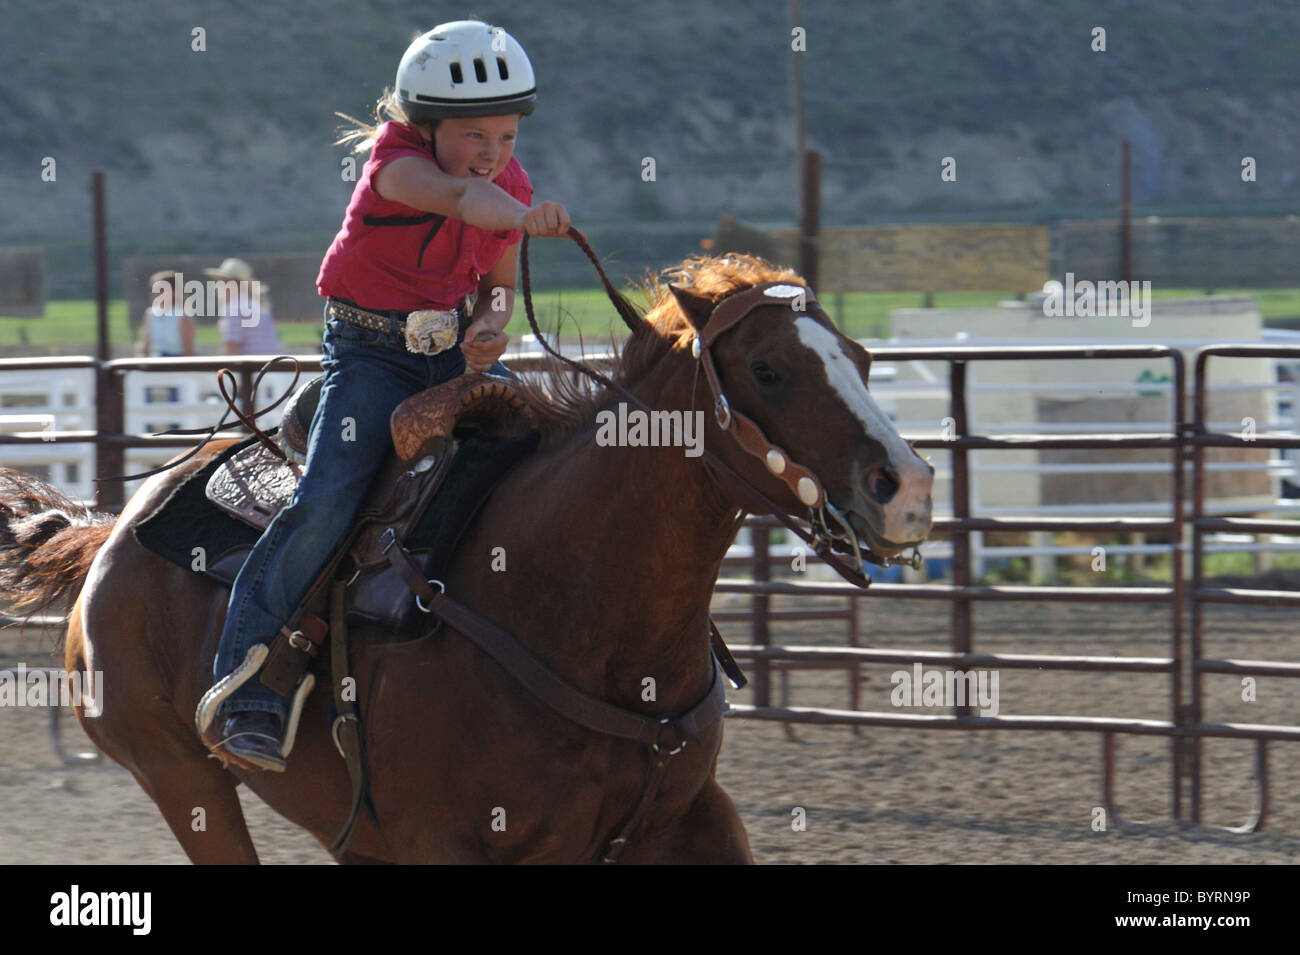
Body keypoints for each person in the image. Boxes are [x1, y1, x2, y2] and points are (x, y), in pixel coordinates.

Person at [199, 19, 572, 770]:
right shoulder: (395, 170)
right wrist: (521, 214)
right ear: (423, 125)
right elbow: (464, 201)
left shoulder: (510, 186)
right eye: (474, 135)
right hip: (370, 356)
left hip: (451, 361)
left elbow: (497, 293)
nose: (493, 154)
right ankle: (246, 690)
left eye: (505, 136)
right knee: (328, 501)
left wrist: (491, 332)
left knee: (551, 458)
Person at [203, 257, 284, 356]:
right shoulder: (254, 304)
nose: (218, 285)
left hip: (254, 369)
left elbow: (231, 349)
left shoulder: (234, 307)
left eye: (224, 281)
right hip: (270, 367)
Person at [136, 270, 196, 357]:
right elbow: (145, 347)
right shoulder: (150, 314)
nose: (155, 293)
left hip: (176, 365)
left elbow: (189, 351)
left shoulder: (184, 316)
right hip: (154, 364)